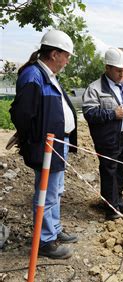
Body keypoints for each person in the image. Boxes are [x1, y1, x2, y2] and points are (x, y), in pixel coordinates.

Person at [9, 29, 78, 259]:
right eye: (66, 55)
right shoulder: (33, 76)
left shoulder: (47, 74)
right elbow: (22, 114)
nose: (67, 61)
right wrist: (30, 140)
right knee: (46, 193)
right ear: (55, 53)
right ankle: (45, 240)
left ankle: (54, 229)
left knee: (56, 190)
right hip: (46, 146)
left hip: (57, 143)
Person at [82, 48, 123, 220]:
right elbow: (89, 113)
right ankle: (111, 208)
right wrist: (112, 114)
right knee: (109, 171)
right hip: (107, 138)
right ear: (107, 68)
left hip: (122, 136)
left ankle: (118, 202)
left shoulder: (122, 85)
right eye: (118, 70)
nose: (122, 74)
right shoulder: (95, 88)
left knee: (121, 170)